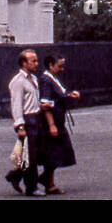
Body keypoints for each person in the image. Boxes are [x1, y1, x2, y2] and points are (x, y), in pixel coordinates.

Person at [37, 52, 80, 194]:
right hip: (52, 122)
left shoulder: (53, 78)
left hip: (59, 120)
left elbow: (59, 95)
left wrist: (69, 95)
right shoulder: (45, 80)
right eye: (59, 66)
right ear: (50, 65)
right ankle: (48, 183)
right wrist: (51, 125)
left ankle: (46, 180)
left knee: (58, 152)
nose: (62, 69)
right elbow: (46, 103)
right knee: (54, 152)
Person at [7, 49, 48, 196]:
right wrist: (20, 126)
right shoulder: (18, 82)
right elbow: (17, 105)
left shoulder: (33, 79)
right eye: (33, 61)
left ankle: (15, 175)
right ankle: (31, 187)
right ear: (24, 63)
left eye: (36, 60)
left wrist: (40, 106)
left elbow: (31, 100)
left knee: (36, 153)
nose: (36, 63)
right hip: (27, 120)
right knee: (30, 156)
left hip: (37, 117)